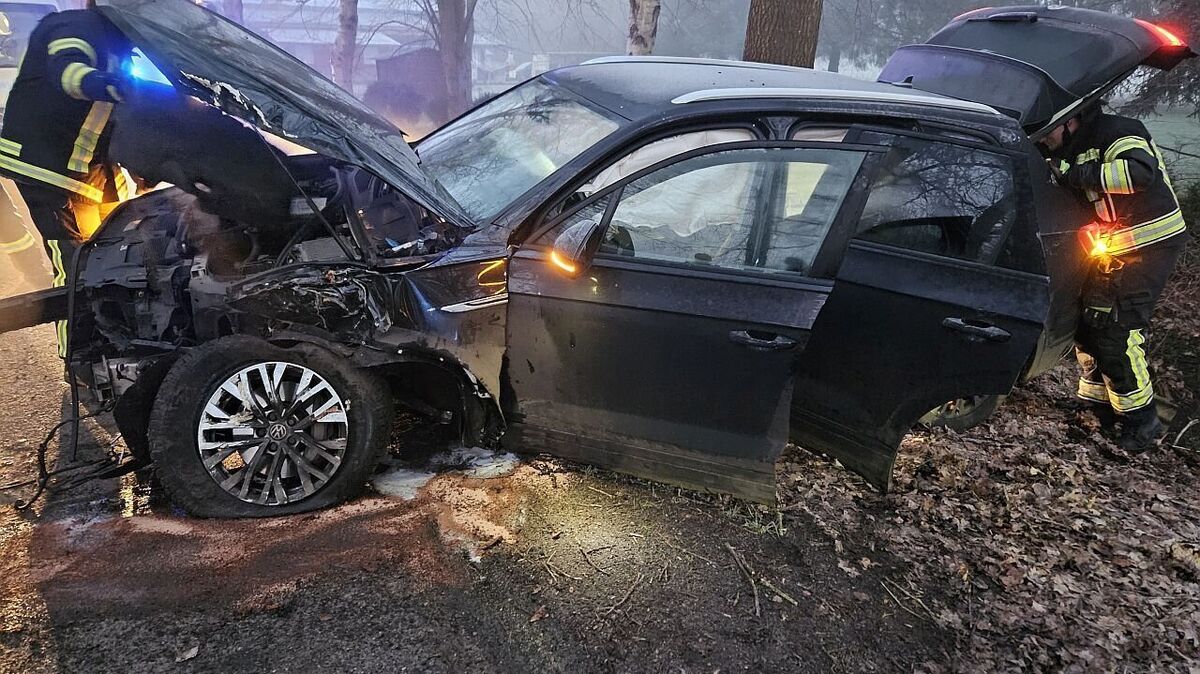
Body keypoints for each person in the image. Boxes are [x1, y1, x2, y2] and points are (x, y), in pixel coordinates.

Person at [1040, 104, 1187, 452]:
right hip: (1113, 249)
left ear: (1069, 120)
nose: (1046, 142)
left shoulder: (1119, 131)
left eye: (1048, 133)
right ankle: (1096, 405)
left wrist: (1076, 174)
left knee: (1117, 329)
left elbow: (1139, 174)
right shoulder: (1064, 148)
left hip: (1149, 244)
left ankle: (1142, 422)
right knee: (1089, 322)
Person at [0, 4, 132, 356]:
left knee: (115, 248)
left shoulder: (121, 42)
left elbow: (108, 128)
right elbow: (68, 70)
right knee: (75, 260)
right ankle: (77, 357)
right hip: (45, 167)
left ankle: (113, 335)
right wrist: (103, 83)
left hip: (83, 173)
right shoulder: (77, 26)